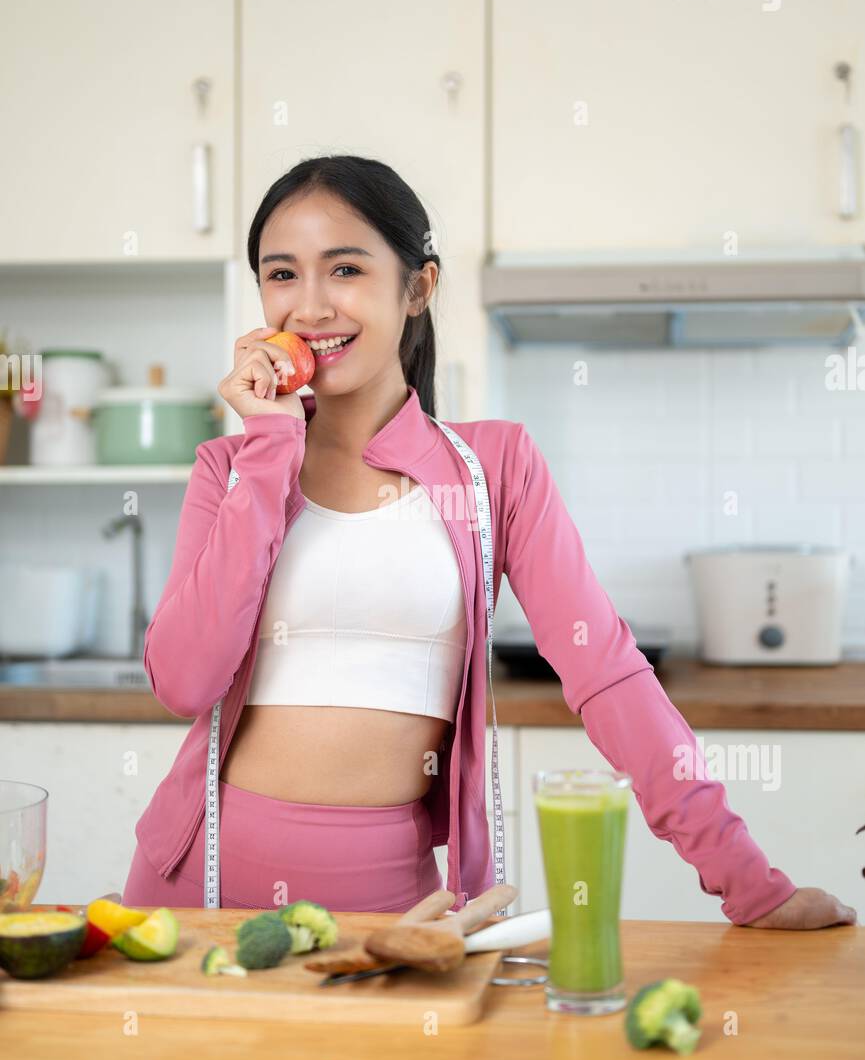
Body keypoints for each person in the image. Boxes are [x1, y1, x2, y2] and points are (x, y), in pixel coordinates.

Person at [122, 154, 855, 930]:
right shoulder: (230, 467)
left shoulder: (490, 468)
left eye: (344, 268)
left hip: (393, 906)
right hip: (200, 886)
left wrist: (746, 881)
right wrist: (269, 449)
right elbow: (183, 679)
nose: (309, 307)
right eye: (281, 274)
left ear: (417, 287)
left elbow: (606, 674)